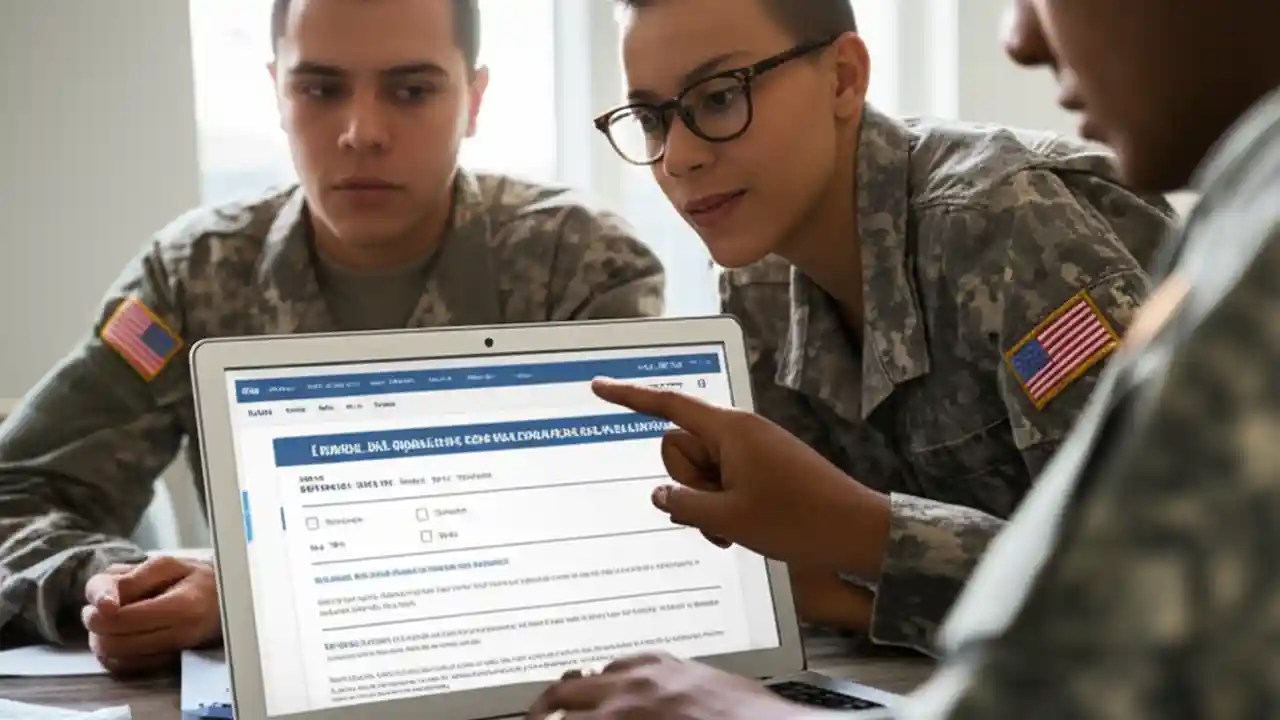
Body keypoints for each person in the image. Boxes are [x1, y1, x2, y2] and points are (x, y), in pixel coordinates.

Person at [526, 0, 1280, 717]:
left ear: (844, 77)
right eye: (653, 119)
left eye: (721, 98)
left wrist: (862, 532)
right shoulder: (756, 282)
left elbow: (1131, 618)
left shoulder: (1007, 226)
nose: (680, 158)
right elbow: (819, 590)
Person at [0, 0, 663, 673]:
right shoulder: (190, 277)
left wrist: (259, 600)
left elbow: (626, 538)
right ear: (278, 94)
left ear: (473, 100)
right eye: (320, 90)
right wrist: (112, 583)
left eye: (412, 91)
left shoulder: (577, 265)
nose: (361, 132)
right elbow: (16, 494)